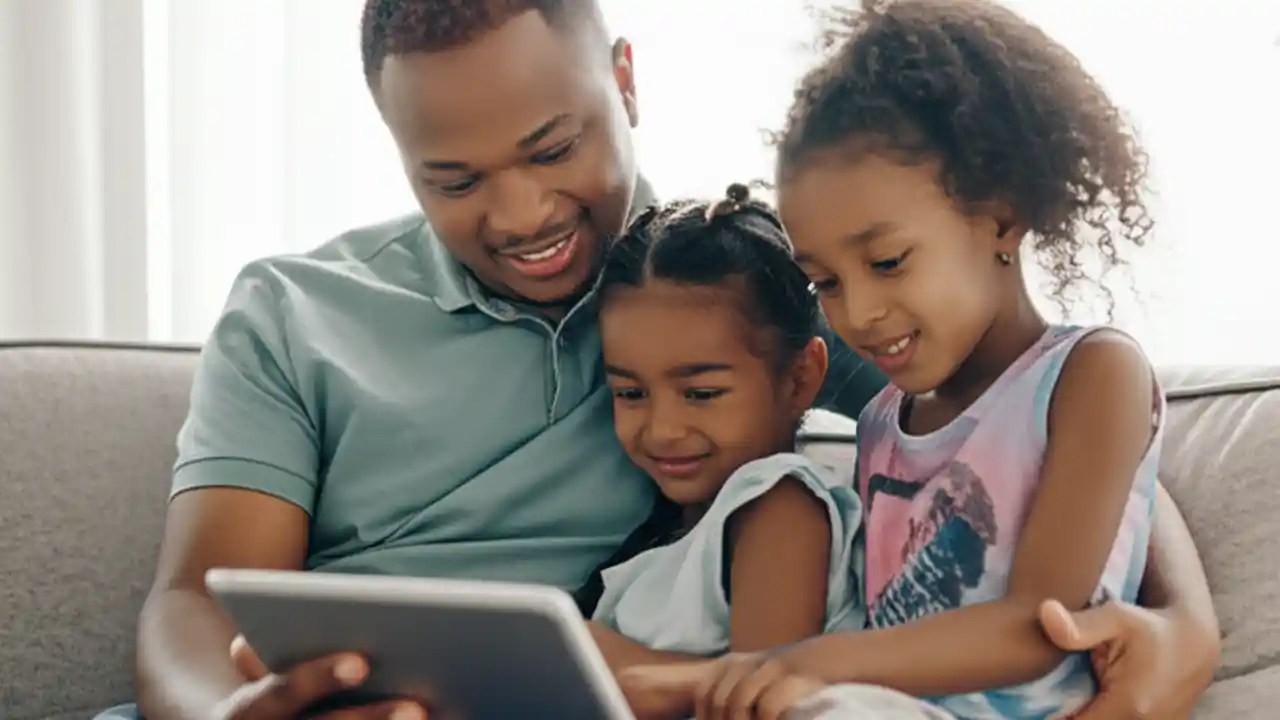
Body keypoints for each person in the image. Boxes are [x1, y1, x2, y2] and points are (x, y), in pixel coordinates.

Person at [99, 2, 1218, 719]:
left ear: (624, 82)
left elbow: (1032, 414)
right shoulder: (292, 312)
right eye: (453, 179)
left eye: (553, 147)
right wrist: (225, 717)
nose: (522, 214)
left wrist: (1183, 626)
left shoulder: (738, 285)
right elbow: (191, 603)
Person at [620, 0, 1217, 718]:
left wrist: (806, 665)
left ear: (1001, 218)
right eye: (826, 283)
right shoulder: (881, 421)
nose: (859, 313)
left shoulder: (1092, 374)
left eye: (888, 262)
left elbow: (1040, 625)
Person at [582, 188, 865, 659]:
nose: (663, 429)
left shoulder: (779, 504)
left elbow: (766, 684)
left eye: (701, 394)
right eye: (631, 393)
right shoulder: (677, 525)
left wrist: (607, 660)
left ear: (798, 380)